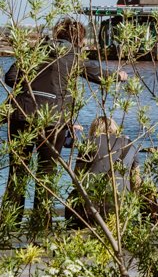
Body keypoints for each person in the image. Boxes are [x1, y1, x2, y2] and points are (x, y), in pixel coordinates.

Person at [1, 18, 115, 231]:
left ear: (57, 34)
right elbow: (97, 73)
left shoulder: (36, 51)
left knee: (17, 173)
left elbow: (10, 77)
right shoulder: (73, 56)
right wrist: (119, 76)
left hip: (20, 116)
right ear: (78, 39)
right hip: (53, 122)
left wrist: (31, 89)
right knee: (46, 175)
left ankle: (8, 227)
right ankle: (41, 229)